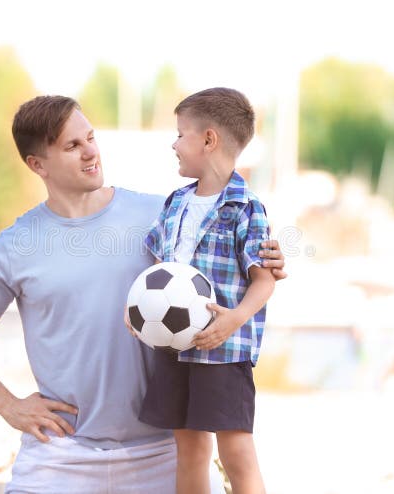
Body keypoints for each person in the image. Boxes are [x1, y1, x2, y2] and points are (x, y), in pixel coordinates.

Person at [0, 94, 286, 494]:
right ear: (37, 164)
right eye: (72, 146)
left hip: (164, 453)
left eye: (90, 138)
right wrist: (9, 405)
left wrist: (270, 258)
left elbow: (236, 254)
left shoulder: (166, 214)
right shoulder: (13, 247)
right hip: (60, 456)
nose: (91, 152)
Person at [130, 87, 273, 494]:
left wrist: (236, 318)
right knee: (189, 447)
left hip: (223, 350)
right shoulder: (175, 203)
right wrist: (137, 307)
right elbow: (159, 270)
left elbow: (263, 280)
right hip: (175, 346)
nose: (173, 144)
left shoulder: (246, 208)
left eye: (180, 134)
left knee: (236, 452)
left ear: (208, 139)